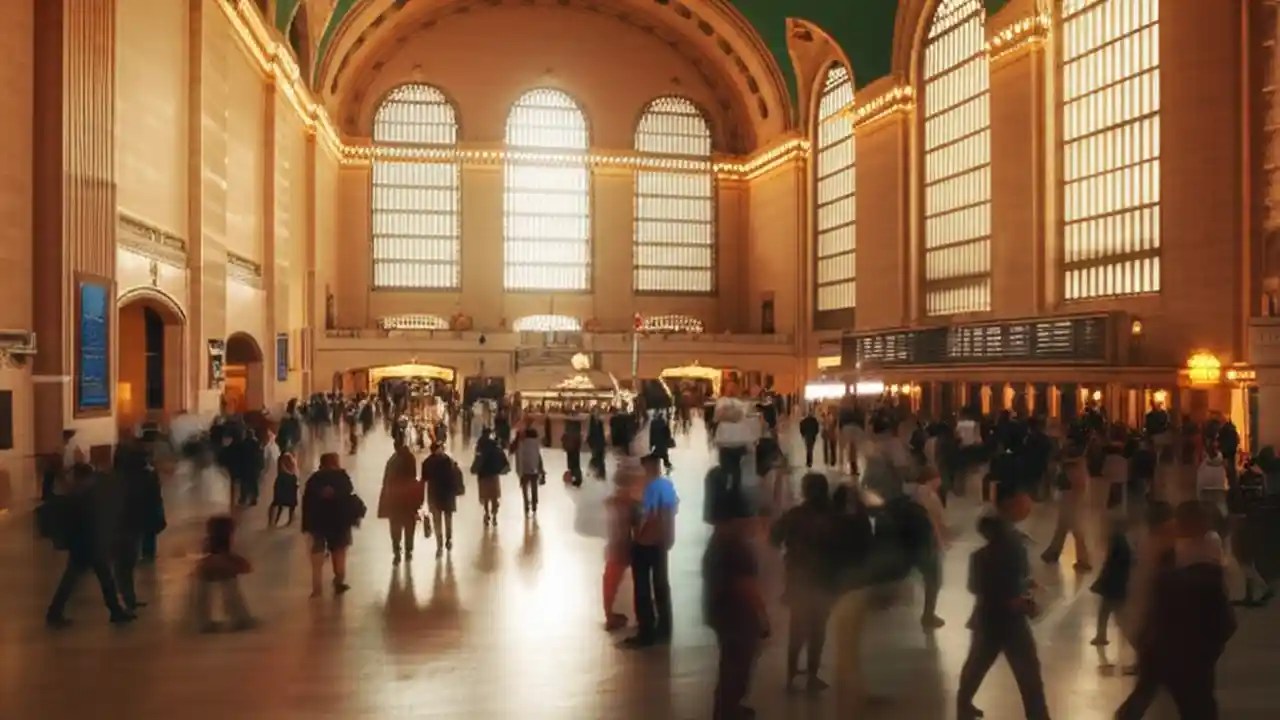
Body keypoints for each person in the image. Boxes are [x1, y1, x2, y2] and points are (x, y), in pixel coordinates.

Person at [1116, 501, 1236, 719]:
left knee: (1145, 694)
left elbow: (1145, 599)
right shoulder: (1204, 571)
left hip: (1163, 647)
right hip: (1190, 653)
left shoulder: (1166, 565)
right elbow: (1225, 621)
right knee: (1198, 705)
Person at [956, 488, 1050, 720]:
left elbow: (974, 587)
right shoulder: (1014, 548)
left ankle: (963, 705)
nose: (1029, 508)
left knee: (976, 666)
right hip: (1010, 623)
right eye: (1025, 504)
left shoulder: (979, 557)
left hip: (985, 619)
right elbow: (1012, 590)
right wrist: (1026, 602)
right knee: (1028, 675)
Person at [704, 490, 769, 720]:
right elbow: (746, 585)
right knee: (737, 666)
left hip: (720, 612)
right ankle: (728, 711)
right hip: (736, 615)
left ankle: (727, 708)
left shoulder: (717, 540)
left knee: (730, 664)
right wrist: (762, 616)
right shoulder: (735, 545)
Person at [769, 473, 836, 692]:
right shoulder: (832, 516)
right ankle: (812, 675)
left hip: (798, 577)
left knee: (797, 627)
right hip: (824, 578)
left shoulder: (794, 515)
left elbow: (774, 537)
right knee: (819, 629)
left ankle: (791, 675)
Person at [45, 464, 134, 627]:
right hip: (89, 544)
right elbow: (91, 520)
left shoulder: (77, 493)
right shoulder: (84, 493)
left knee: (92, 578)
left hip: (84, 544)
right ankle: (55, 612)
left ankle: (114, 610)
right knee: (85, 579)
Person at [624, 453, 678, 648]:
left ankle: (646, 631)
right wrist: (669, 536)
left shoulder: (648, 488)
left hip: (645, 543)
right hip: (661, 542)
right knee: (661, 584)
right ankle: (665, 627)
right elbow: (671, 512)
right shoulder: (667, 486)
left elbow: (648, 516)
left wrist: (638, 536)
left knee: (643, 588)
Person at [302, 453, 358, 597]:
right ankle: (338, 581)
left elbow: (307, 503)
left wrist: (307, 525)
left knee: (317, 556)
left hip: (318, 523)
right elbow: (349, 497)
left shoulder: (314, 480)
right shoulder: (342, 478)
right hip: (339, 522)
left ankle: (317, 588)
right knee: (339, 553)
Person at [194, 515, 256, 632]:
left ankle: (203, 620)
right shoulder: (224, 555)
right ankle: (239, 617)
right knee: (231, 590)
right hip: (221, 568)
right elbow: (244, 565)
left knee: (206, 594)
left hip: (209, 570)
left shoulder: (210, 549)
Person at [1041, 438, 1091, 570]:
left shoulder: (1072, 465)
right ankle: (1053, 552)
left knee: (1074, 526)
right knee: (1064, 525)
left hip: (1072, 497)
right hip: (1072, 495)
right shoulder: (1079, 463)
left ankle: (1083, 560)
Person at [603, 458, 641, 631]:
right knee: (638, 581)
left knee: (610, 581)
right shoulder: (632, 504)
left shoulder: (613, 502)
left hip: (615, 546)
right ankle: (639, 614)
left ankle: (610, 614)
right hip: (628, 545)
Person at [912, 466, 949, 630]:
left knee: (930, 579)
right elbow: (934, 521)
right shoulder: (929, 495)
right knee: (934, 580)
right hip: (929, 542)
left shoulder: (916, 492)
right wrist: (940, 541)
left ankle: (928, 614)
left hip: (918, 540)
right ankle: (928, 615)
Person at [1090, 513, 1132, 648]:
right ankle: (1102, 636)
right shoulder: (1123, 542)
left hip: (1113, 586)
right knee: (1115, 613)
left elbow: (1110, 564)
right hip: (1118, 585)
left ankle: (1101, 636)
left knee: (1109, 612)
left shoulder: (1116, 542)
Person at [377, 438, 422, 564]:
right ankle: (408, 550)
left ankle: (397, 550)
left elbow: (386, 481)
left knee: (395, 528)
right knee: (409, 527)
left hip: (395, 501)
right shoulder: (409, 459)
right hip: (407, 501)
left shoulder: (392, 461)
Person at [422, 441, 462, 556]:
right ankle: (448, 540)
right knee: (448, 520)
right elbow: (456, 476)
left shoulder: (427, 462)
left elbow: (425, 478)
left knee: (437, 522)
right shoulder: (449, 461)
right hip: (448, 496)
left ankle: (439, 545)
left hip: (434, 496)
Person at [471, 429, 507, 526]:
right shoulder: (495, 445)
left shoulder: (480, 446)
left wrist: (474, 469)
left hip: (483, 475)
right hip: (493, 474)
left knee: (486, 497)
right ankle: (494, 516)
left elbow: (477, 460)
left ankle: (486, 513)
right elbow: (501, 457)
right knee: (494, 497)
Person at [514, 426, 544, 517]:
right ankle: (534, 504)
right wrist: (541, 469)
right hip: (534, 469)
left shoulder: (521, 444)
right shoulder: (535, 444)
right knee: (534, 487)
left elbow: (518, 458)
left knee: (524, 489)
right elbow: (539, 457)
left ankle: (526, 505)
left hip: (525, 469)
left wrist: (519, 472)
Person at [269, 452, 299, 526]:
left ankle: (274, 521)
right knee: (289, 503)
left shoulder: (282, 460)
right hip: (289, 481)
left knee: (278, 502)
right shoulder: (290, 460)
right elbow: (295, 471)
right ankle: (288, 520)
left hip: (284, 481)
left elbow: (282, 470)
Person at [562, 418, 585, 487]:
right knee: (575, 464)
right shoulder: (576, 434)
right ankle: (576, 479)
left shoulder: (569, 433)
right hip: (574, 448)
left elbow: (564, 439)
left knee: (572, 464)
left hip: (571, 448)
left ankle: (574, 478)